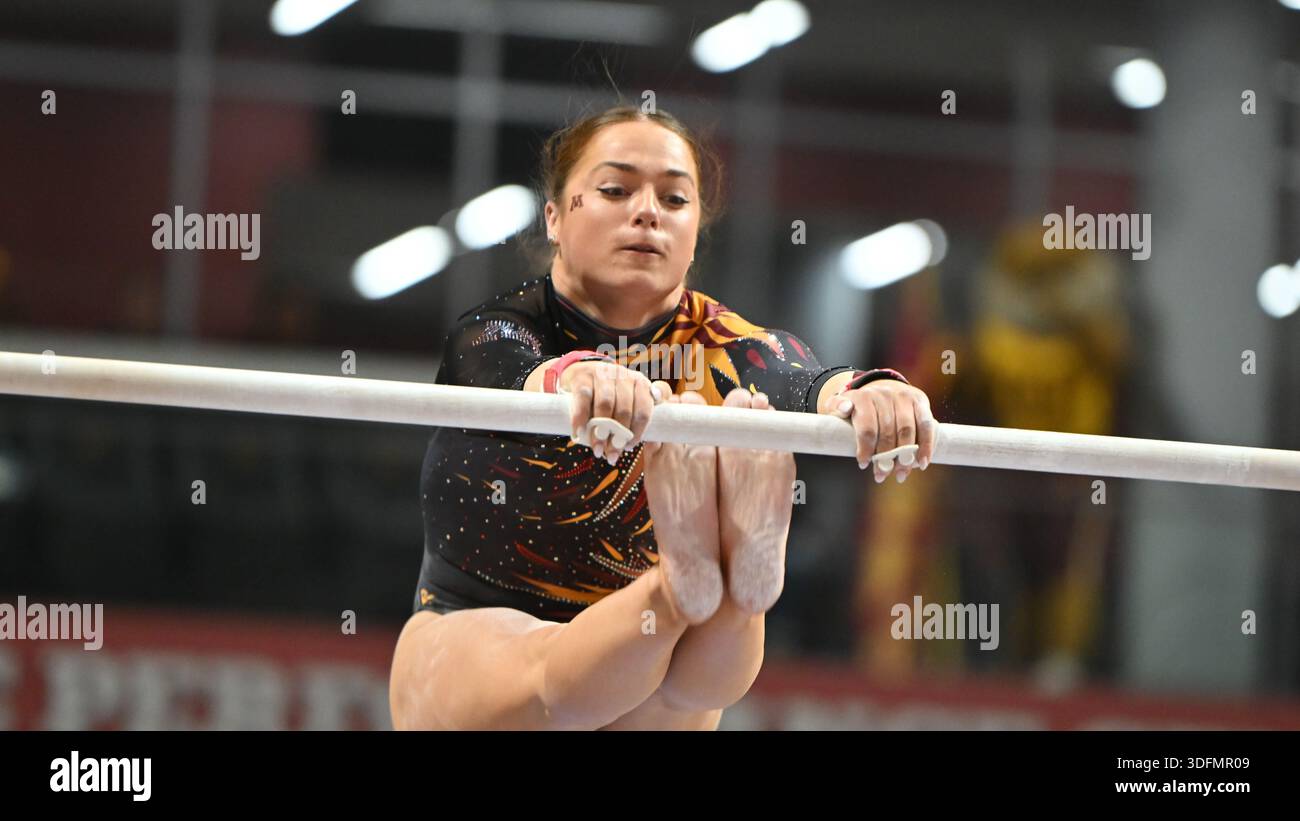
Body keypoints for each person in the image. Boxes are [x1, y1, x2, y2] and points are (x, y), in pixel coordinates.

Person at [388, 105, 939, 730]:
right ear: (555, 218)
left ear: (697, 229)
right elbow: (493, 363)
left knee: (683, 683)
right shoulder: (505, 328)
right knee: (586, 680)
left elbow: (796, 376)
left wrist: (866, 391)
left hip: (647, 663)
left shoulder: (725, 347)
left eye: (674, 198)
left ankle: (701, 586)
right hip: (481, 627)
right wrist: (569, 378)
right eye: (616, 189)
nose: (647, 211)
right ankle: (710, 590)